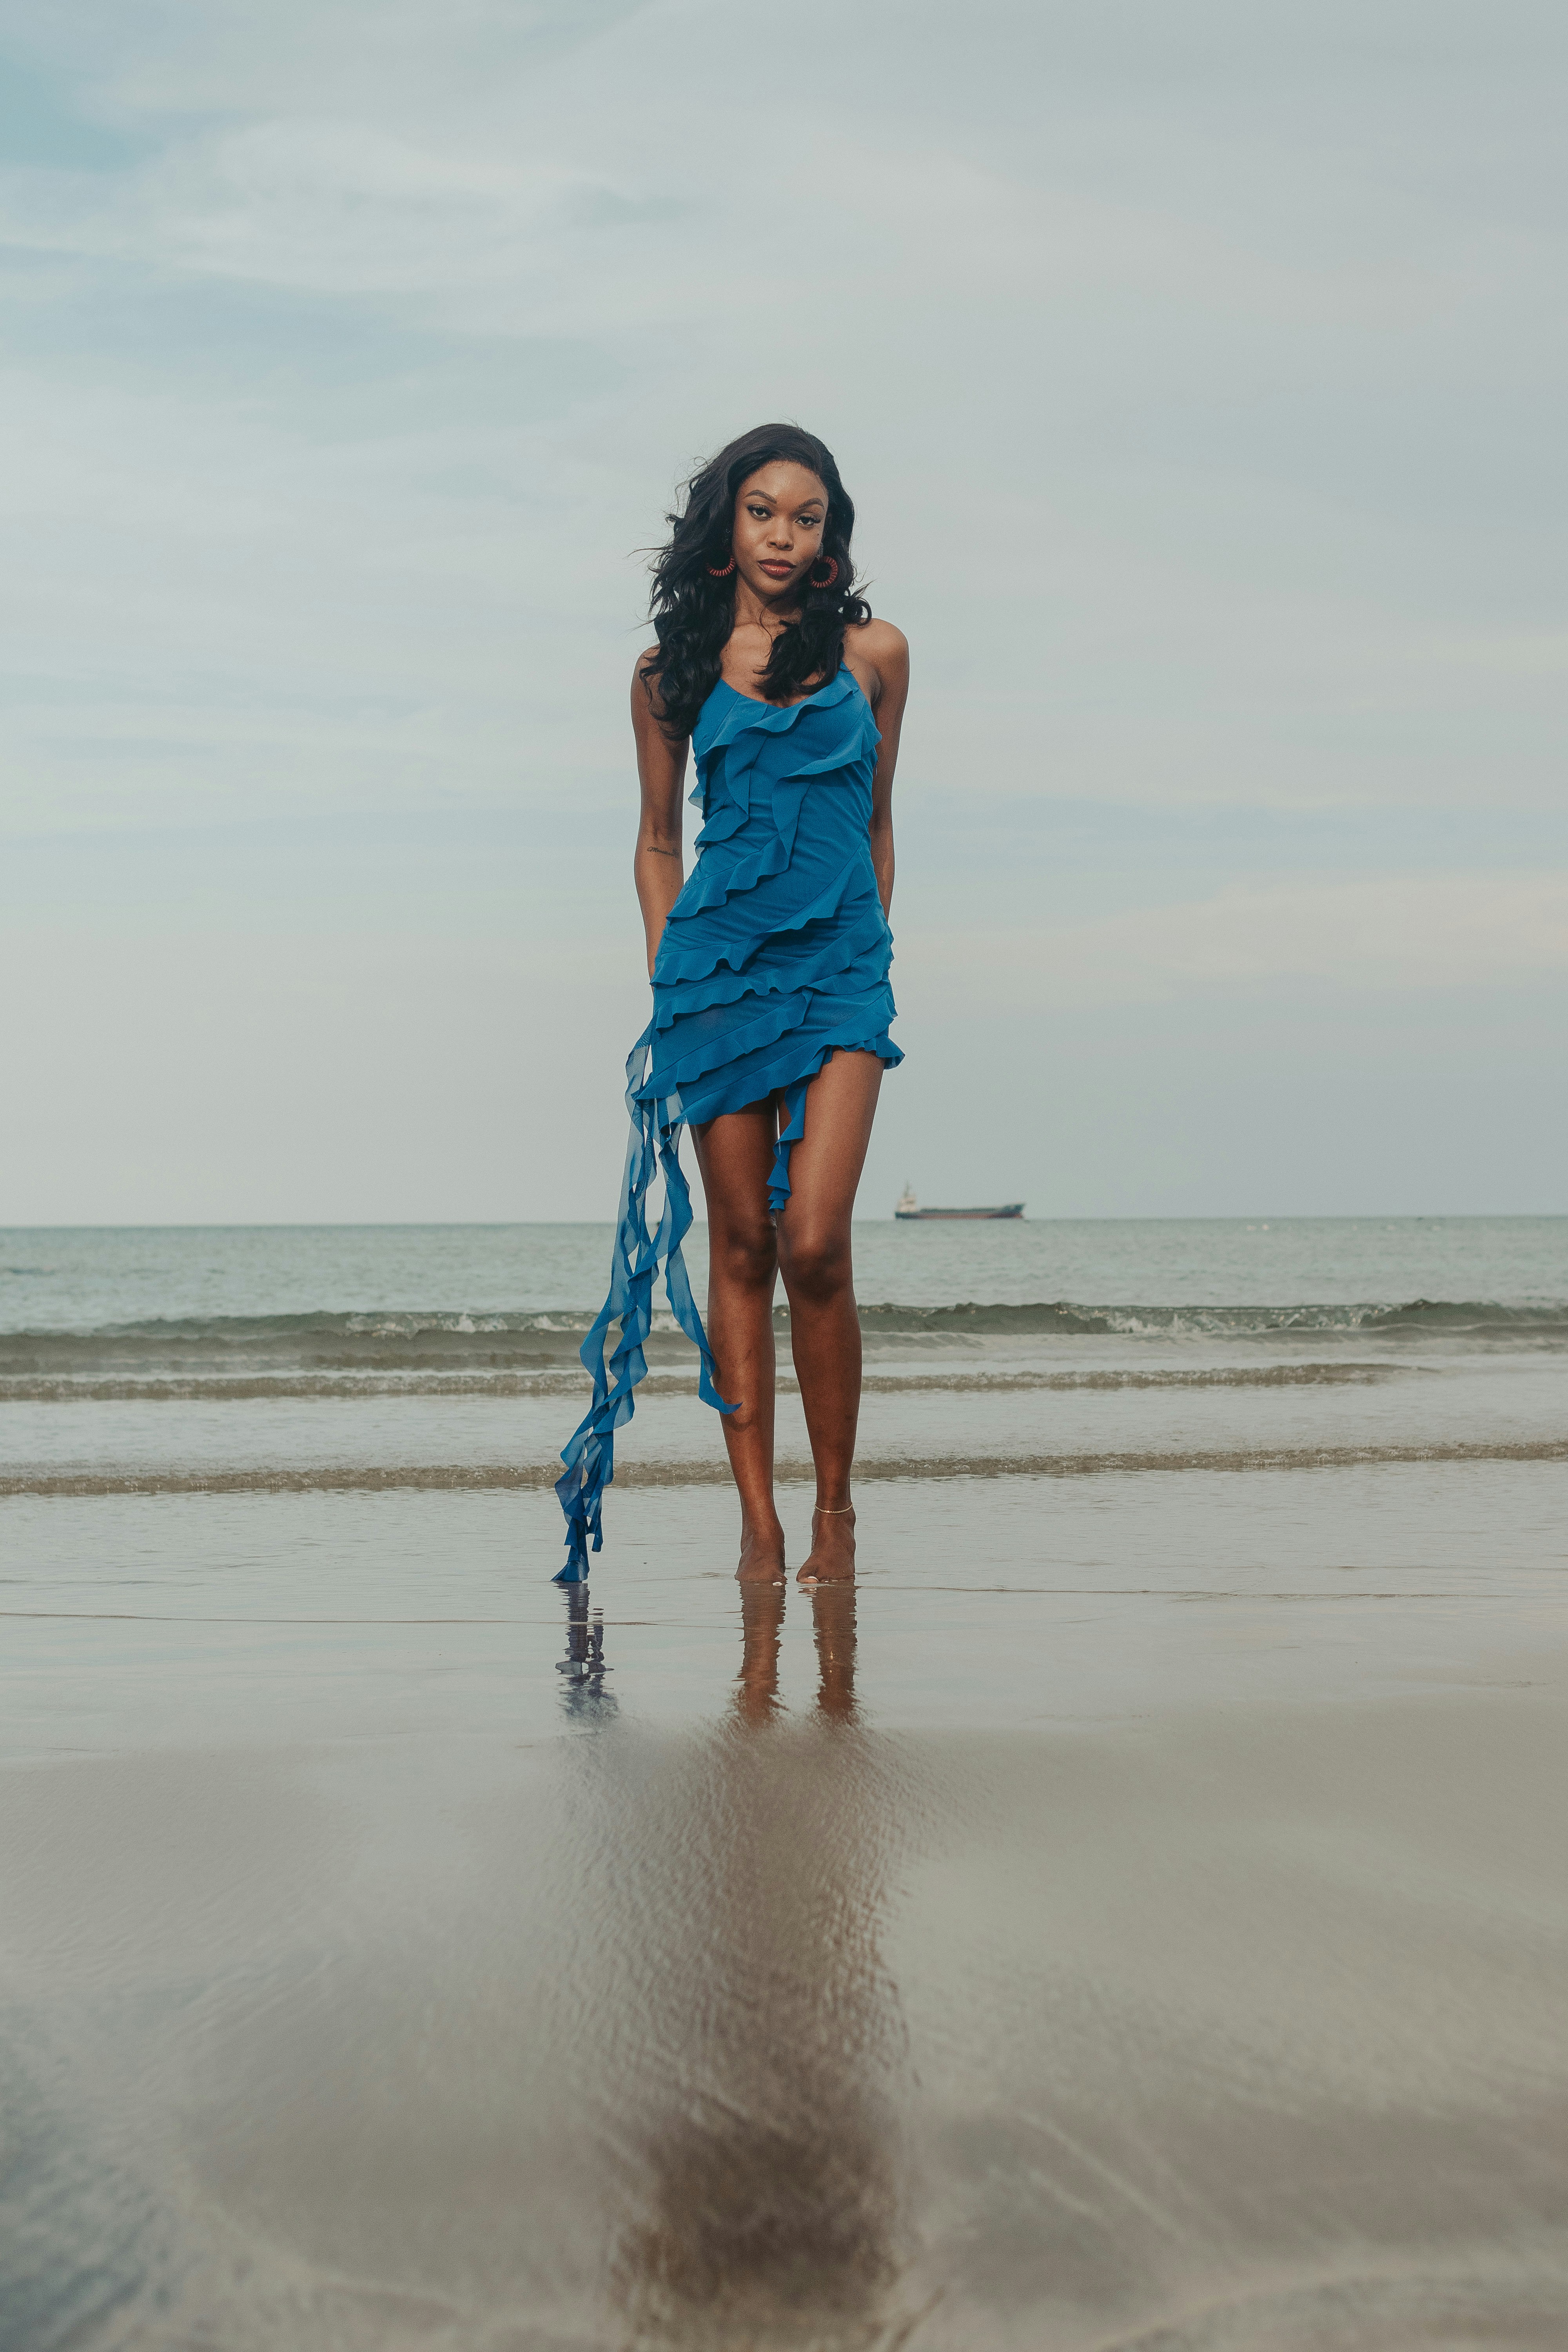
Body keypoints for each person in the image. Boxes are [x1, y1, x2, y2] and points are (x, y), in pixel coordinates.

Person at [556, 424, 908, 1588]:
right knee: (745, 1244)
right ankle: (759, 1525)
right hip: (716, 975)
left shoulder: (877, 656)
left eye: (808, 517)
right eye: (764, 511)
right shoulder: (674, 672)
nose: (785, 535)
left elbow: (876, 821)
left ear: (830, 536)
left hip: (842, 972)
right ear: (728, 522)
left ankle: (840, 1509)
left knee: (816, 1241)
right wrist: (674, 977)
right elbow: (659, 842)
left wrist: (868, 948)